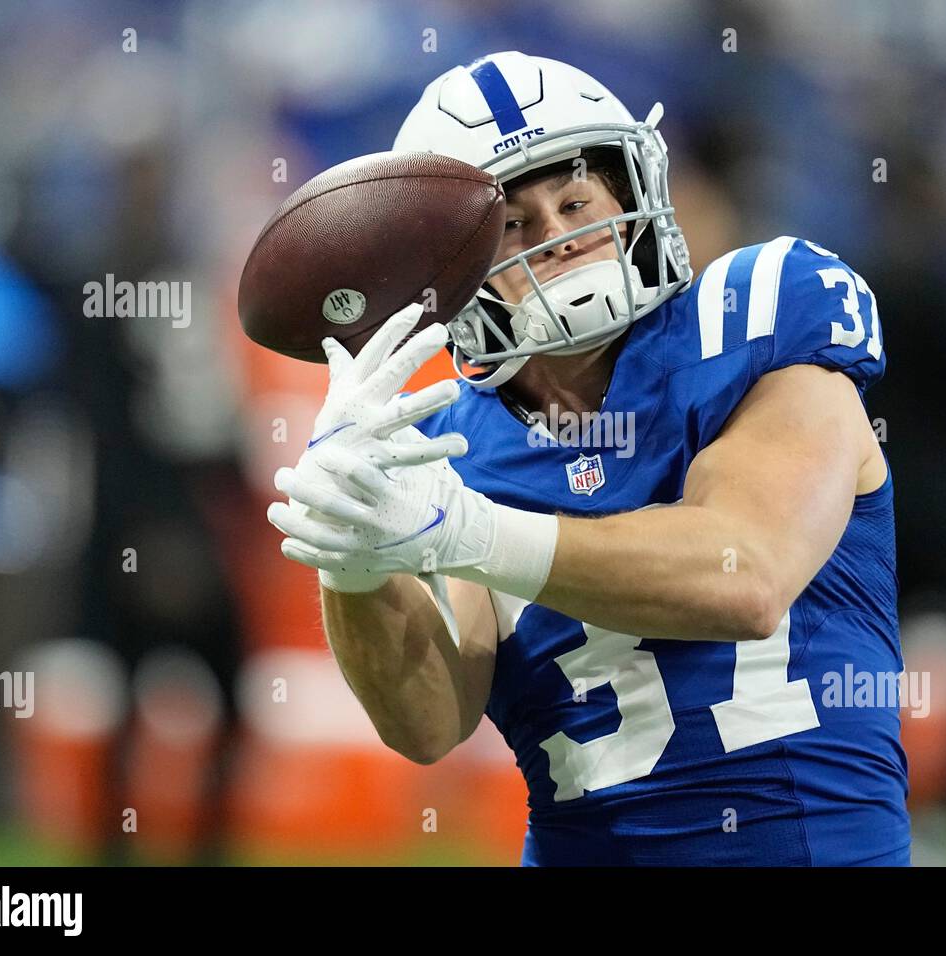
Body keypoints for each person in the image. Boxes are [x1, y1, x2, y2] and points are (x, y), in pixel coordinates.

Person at [267, 51, 909, 866]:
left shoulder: (760, 319)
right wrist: (353, 554)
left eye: (575, 199)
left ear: (634, 194)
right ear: (452, 272)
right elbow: (428, 723)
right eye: (513, 224)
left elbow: (744, 575)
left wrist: (464, 532)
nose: (561, 239)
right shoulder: (455, 447)